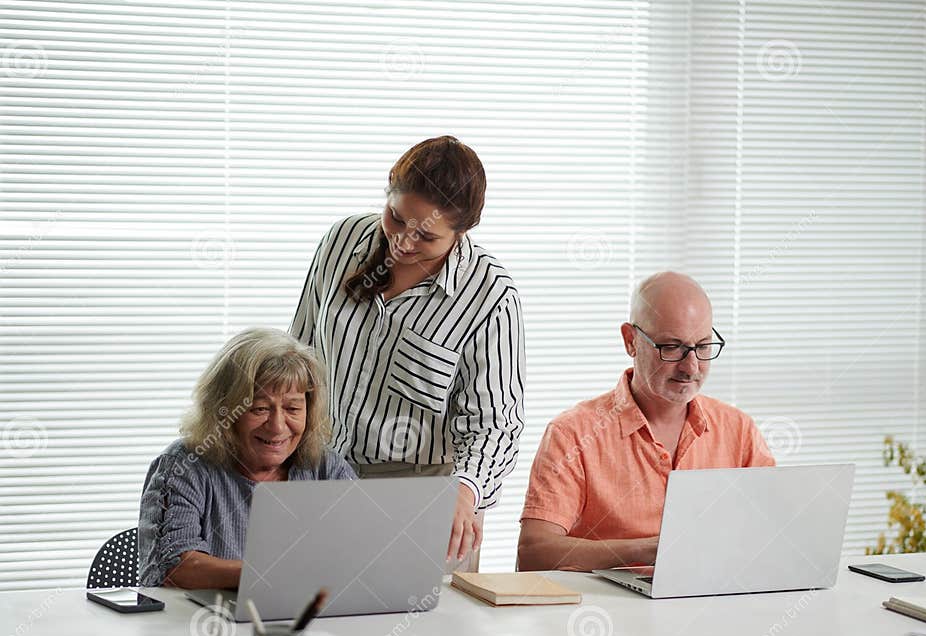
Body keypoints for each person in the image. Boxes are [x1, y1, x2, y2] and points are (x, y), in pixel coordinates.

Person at [290, 136, 525, 569]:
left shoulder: (490, 295)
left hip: (421, 499)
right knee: (305, 624)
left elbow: (496, 424)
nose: (402, 242)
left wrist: (465, 491)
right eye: (395, 218)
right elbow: (296, 355)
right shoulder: (341, 242)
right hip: (316, 477)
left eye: (425, 236)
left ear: (462, 231)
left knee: (423, 634)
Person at [517, 272, 775, 571]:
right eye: (671, 347)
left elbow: (774, 534)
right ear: (631, 341)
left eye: (703, 346)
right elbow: (534, 552)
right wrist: (645, 550)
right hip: (609, 610)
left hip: (713, 603)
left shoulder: (739, 429)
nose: (691, 366)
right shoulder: (573, 433)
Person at [137, 328, 355, 588]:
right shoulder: (185, 465)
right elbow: (176, 567)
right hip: (196, 624)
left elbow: (366, 550)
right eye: (259, 408)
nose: (277, 427)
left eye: (293, 408)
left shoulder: (327, 468)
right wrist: (274, 576)